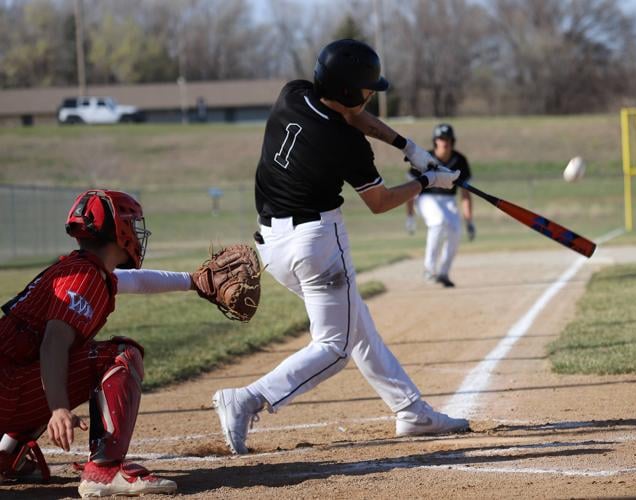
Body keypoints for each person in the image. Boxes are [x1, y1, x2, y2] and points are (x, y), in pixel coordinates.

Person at [212, 38, 468, 455]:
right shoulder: (347, 145)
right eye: (367, 91)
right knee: (336, 346)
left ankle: (411, 410)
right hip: (317, 246)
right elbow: (380, 202)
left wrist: (410, 149)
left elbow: (354, 116)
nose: (370, 96)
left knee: (357, 323)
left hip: (272, 246)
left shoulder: (293, 93)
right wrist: (428, 181)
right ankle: (247, 398)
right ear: (352, 92)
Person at [0, 189, 182, 497]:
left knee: (62, 361)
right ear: (119, 231)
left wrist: (191, 282)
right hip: (8, 388)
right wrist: (58, 408)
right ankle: (105, 470)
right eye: (132, 226)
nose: (137, 234)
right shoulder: (86, 275)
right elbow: (53, 342)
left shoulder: (79, 267)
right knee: (120, 355)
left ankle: (6, 455)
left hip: (8, 381)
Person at [405, 123, 475, 288]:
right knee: (438, 221)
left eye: (448, 139)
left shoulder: (460, 160)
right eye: (440, 139)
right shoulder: (424, 158)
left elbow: (465, 195)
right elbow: (409, 189)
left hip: (449, 200)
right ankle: (429, 269)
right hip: (426, 198)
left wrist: (469, 221)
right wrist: (409, 216)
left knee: (455, 230)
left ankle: (443, 273)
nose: (444, 142)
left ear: (453, 141)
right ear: (435, 141)